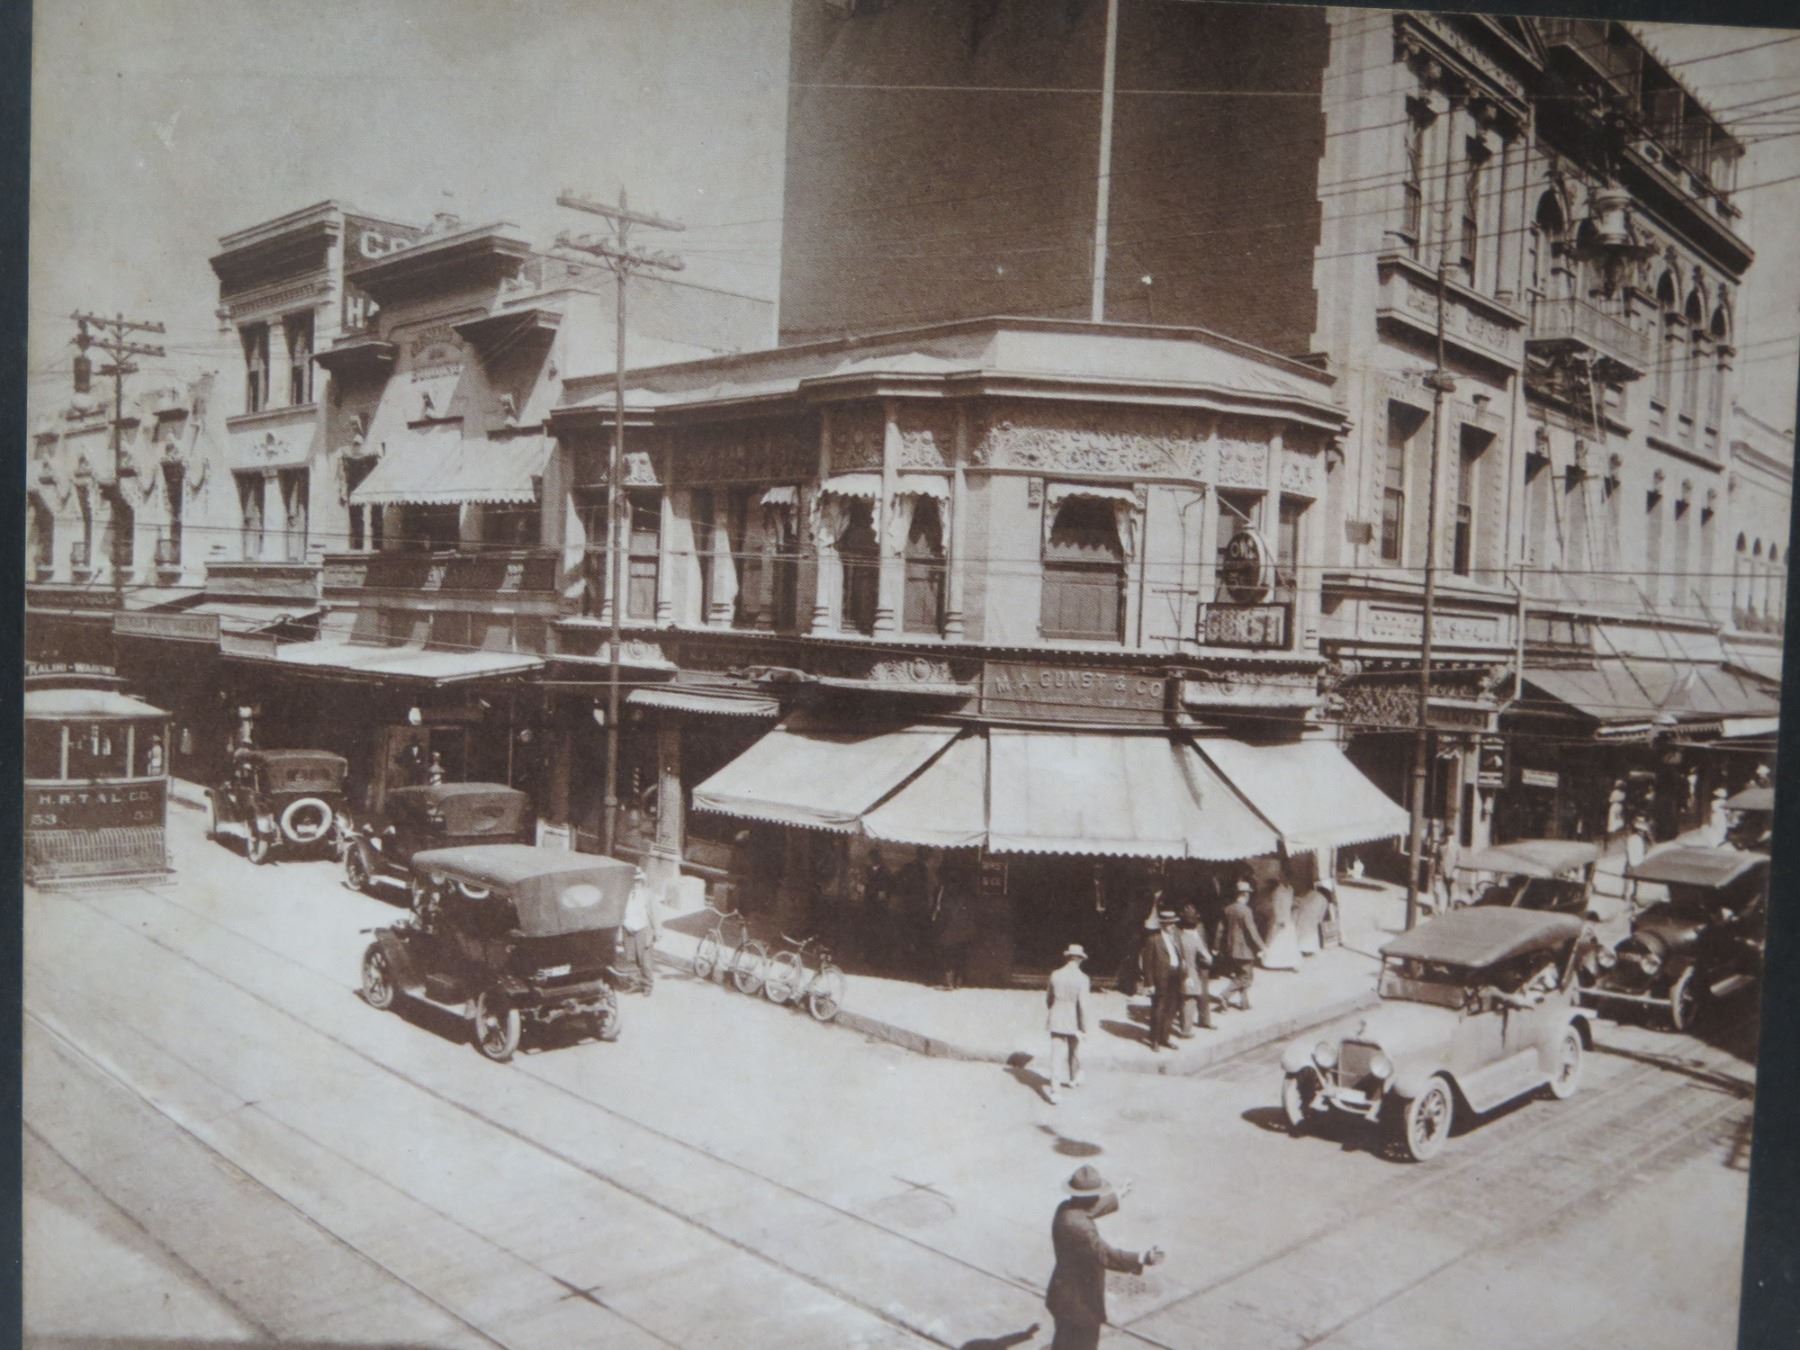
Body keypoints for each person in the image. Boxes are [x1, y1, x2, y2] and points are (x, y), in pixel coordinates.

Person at [1045, 1167, 1163, 1350]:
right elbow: (1106, 1255)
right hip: (1080, 1304)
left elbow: (1090, 1210)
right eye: (1096, 1195)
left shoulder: (1065, 1209)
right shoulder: (1081, 1228)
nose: (1098, 1198)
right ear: (1087, 1198)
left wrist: (1118, 1195)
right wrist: (1142, 1258)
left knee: (1063, 1342)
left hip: (1063, 1296)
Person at [1045, 944, 1093, 1104]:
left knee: (1056, 1055)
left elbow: (1049, 998)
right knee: (1074, 1050)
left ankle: (1055, 1091)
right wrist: (1084, 1027)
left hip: (1057, 1017)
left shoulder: (1055, 974)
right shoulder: (1083, 979)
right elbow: (1083, 1005)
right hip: (1074, 1020)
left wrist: (1054, 1009)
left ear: (1067, 958)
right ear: (1079, 959)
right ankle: (1073, 1078)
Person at [1217, 878, 1265, 1011]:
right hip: (1244, 950)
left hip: (1231, 948)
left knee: (1240, 974)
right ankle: (1224, 995)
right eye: (1248, 893)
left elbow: (1220, 929)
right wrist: (1262, 946)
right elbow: (1252, 931)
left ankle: (1244, 1003)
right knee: (1247, 977)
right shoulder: (1246, 910)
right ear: (1245, 894)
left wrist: (1216, 946)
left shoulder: (1228, 909)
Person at [933, 870, 978, 990]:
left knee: (949, 956)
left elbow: (943, 911)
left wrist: (938, 925)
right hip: (963, 930)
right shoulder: (968, 894)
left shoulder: (945, 892)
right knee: (960, 955)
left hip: (949, 929)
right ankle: (958, 982)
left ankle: (950, 983)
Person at [619, 867, 661, 995]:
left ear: (642, 881)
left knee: (645, 960)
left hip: (643, 929)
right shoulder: (626, 893)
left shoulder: (648, 894)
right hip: (628, 929)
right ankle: (635, 983)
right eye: (633, 880)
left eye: (638, 880)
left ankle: (647, 985)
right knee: (630, 959)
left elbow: (654, 914)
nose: (635, 883)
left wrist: (657, 931)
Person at [1175, 904, 1214, 1034]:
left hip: (1195, 965)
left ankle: (1201, 1020)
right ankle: (1194, 1023)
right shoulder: (1195, 928)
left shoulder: (1179, 930)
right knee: (1194, 995)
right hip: (1196, 965)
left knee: (1192, 994)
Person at [1260, 877, 1302, 971]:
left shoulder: (1290, 889)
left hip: (1288, 918)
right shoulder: (1277, 891)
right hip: (1279, 918)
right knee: (1276, 939)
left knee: (1288, 940)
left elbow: (1289, 902)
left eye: (1289, 879)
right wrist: (1279, 920)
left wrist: (1294, 904)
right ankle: (1272, 963)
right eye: (1285, 879)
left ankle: (1289, 962)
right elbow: (1275, 907)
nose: (1288, 881)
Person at [1293, 880, 1330, 957]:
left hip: (1303, 915)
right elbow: (1321, 914)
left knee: (1301, 932)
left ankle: (1301, 949)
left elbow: (1301, 901)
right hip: (1313, 918)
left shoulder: (1312, 893)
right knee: (1310, 934)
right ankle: (1308, 950)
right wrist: (1318, 920)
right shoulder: (1325, 900)